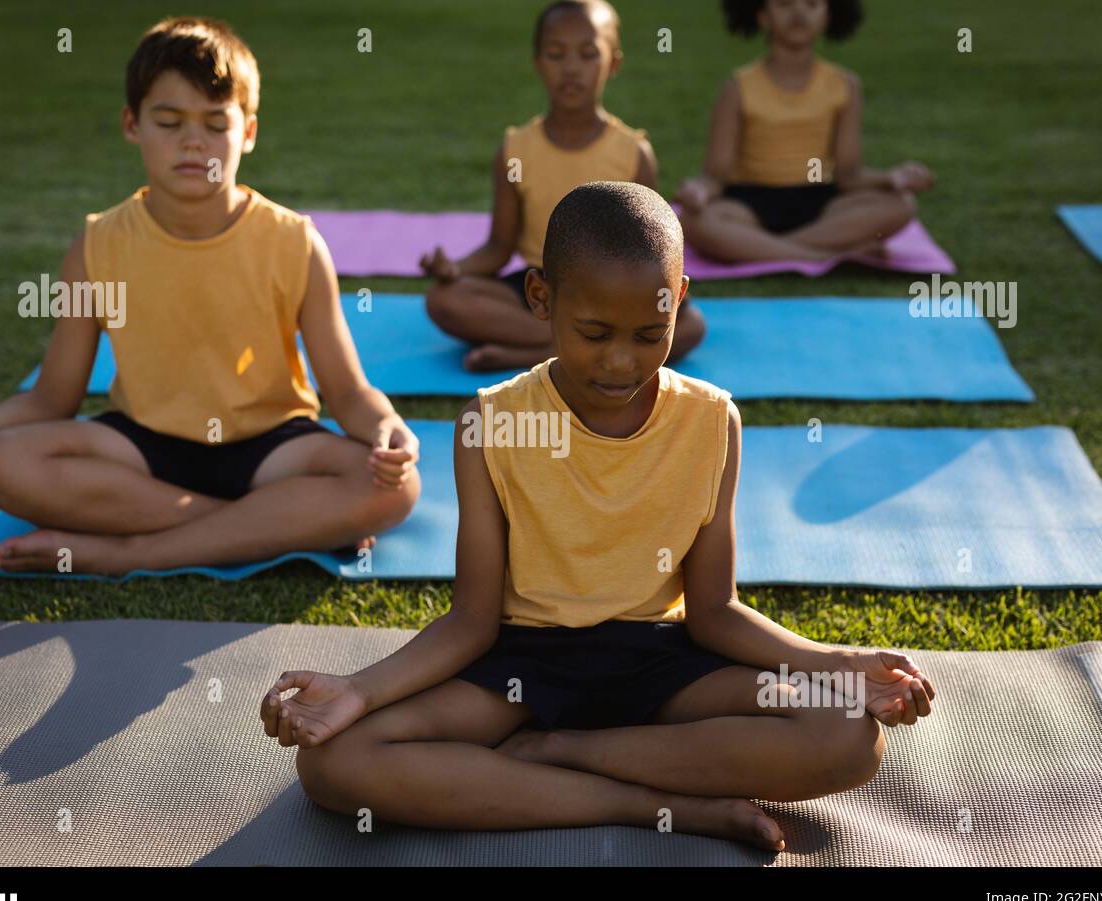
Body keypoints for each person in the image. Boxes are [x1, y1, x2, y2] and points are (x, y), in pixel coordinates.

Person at [264, 182, 935, 850]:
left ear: (681, 302)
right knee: (333, 764)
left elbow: (715, 612)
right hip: (522, 666)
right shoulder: (489, 425)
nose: (622, 361)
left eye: (651, 334)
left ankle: (559, 753)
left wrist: (835, 662)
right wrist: (358, 691)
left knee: (845, 735)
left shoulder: (713, 422)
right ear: (540, 299)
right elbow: (471, 621)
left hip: (665, 663)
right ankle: (657, 804)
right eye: (594, 333)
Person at [0, 16, 420, 575]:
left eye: (214, 124)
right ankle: (267, 524)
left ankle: (130, 551)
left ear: (248, 132)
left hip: (272, 448)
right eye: (170, 121)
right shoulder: (96, 245)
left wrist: (387, 428)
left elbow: (347, 392)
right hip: (142, 449)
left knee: (395, 488)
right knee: (0, 462)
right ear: (133, 124)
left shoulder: (295, 242)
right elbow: (52, 399)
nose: (193, 141)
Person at [420, 0, 705, 373]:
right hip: (540, 289)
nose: (571, 67)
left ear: (613, 63)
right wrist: (455, 269)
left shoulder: (634, 153)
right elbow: (498, 248)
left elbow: (654, 245)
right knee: (444, 301)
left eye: (588, 55)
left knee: (692, 325)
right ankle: (575, 346)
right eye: (556, 54)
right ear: (539, 63)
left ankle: (532, 354)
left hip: (613, 290)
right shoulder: (514, 150)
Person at [677, 0, 935, 263]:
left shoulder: (845, 85)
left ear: (828, 16)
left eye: (812, 4)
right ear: (762, 16)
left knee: (901, 204)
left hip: (821, 203)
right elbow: (714, 176)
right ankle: (830, 254)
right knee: (694, 220)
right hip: (748, 205)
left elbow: (850, 175)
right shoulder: (738, 87)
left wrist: (892, 177)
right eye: (785, 4)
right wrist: (699, 191)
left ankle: (758, 249)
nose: (798, 12)